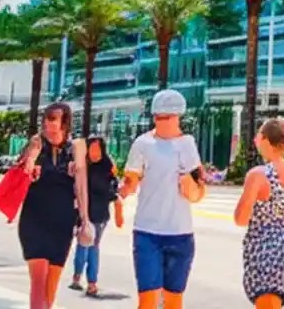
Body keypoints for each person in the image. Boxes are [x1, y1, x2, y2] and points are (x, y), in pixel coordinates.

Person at [118, 90, 206, 309]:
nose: (163, 122)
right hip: (148, 233)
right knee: (148, 301)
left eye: (168, 117)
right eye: (159, 117)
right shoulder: (142, 144)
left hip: (181, 234)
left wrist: (191, 187)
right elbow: (130, 180)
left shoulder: (187, 144)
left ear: (178, 117)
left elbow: (199, 192)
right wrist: (119, 192)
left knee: (173, 302)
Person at [17, 103, 91, 309]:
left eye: (54, 119)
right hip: (35, 219)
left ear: (65, 122)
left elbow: (81, 185)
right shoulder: (37, 142)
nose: (49, 124)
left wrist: (85, 220)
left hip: (63, 221)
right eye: (46, 119)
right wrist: (30, 168)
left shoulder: (77, 146)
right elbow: (27, 164)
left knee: (52, 284)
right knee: (39, 282)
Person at [234, 118, 284, 309]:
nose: (255, 141)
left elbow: (241, 218)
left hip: (266, 250)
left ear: (267, 141)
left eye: (258, 136)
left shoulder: (258, 175)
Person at [70, 137, 120, 297]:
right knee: (82, 245)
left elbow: (114, 188)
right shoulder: (83, 166)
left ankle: (92, 282)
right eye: (91, 149)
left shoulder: (107, 166)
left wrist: (113, 195)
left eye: (97, 149)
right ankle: (77, 276)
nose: (94, 153)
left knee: (93, 246)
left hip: (99, 214)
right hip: (83, 212)